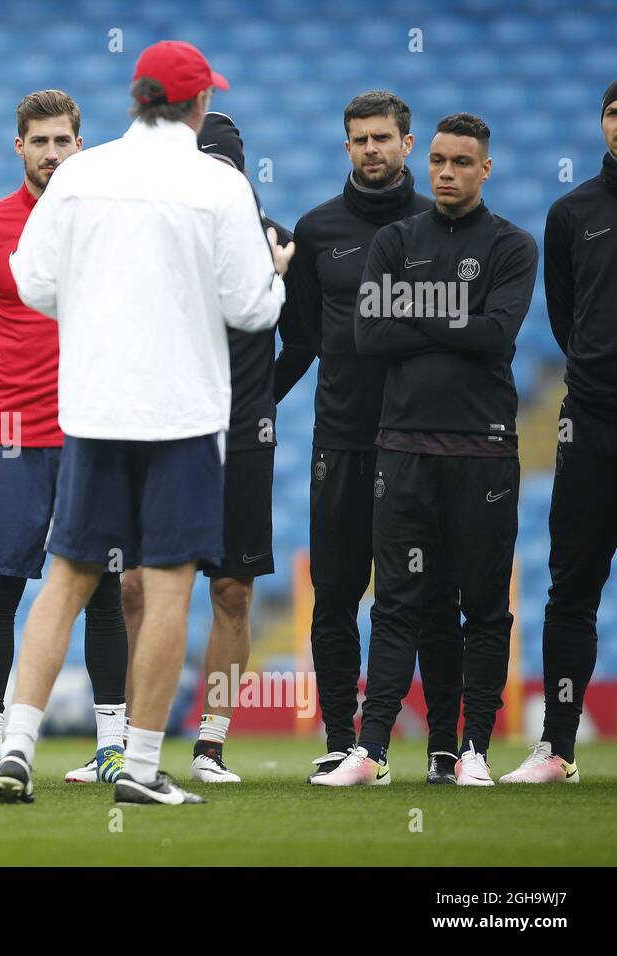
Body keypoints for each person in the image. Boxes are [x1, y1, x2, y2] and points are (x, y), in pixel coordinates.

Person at [0, 41, 292, 806]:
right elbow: (253, 309)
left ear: (135, 99)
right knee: (166, 588)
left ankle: (14, 749)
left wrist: (91, 311)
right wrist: (273, 275)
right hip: (182, 414)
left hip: (94, 407)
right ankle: (141, 767)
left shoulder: (82, 175)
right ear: (195, 106)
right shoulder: (217, 182)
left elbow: (29, 281)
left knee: (66, 577)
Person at [316, 113, 538, 787]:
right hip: (403, 449)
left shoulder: (513, 245)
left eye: (461, 162)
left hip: (484, 452)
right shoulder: (394, 240)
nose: (446, 172)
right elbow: (369, 337)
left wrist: (415, 313)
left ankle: (470, 748)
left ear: (485, 170)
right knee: (397, 602)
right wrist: (454, 319)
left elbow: (496, 335)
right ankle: (373, 750)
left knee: (482, 605)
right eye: (439, 160)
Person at [271, 91, 465, 784]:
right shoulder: (318, 229)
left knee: (433, 593)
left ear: (408, 144)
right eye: (359, 140)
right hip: (342, 439)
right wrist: (254, 406)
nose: (371, 149)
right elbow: (298, 342)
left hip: (424, 439)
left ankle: (444, 744)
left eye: (383, 137)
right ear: (346, 145)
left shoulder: (439, 222)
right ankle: (336, 737)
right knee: (335, 592)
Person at [0, 90, 130, 788]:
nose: (51, 154)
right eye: (39, 142)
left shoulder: (109, 226)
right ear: (17, 147)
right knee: (0, 589)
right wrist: (8, 387)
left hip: (94, 433)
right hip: (13, 435)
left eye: (62, 141)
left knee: (106, 588)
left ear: (79, 146)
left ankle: (111, 745)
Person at [118, 111, 299, 785]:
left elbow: (302, 335)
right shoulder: (154, 237)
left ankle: (211, 745)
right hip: (162, 433)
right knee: (137, 587)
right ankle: (131, 744)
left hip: (243, 441)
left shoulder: (275, 239)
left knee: (231, 592)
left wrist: (259, 399)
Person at [502, 80, 617, 784]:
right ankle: (559, 749)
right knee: (572, 588)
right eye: (613, 110)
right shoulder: (572, 212)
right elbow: (569, 316)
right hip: (594, 420)